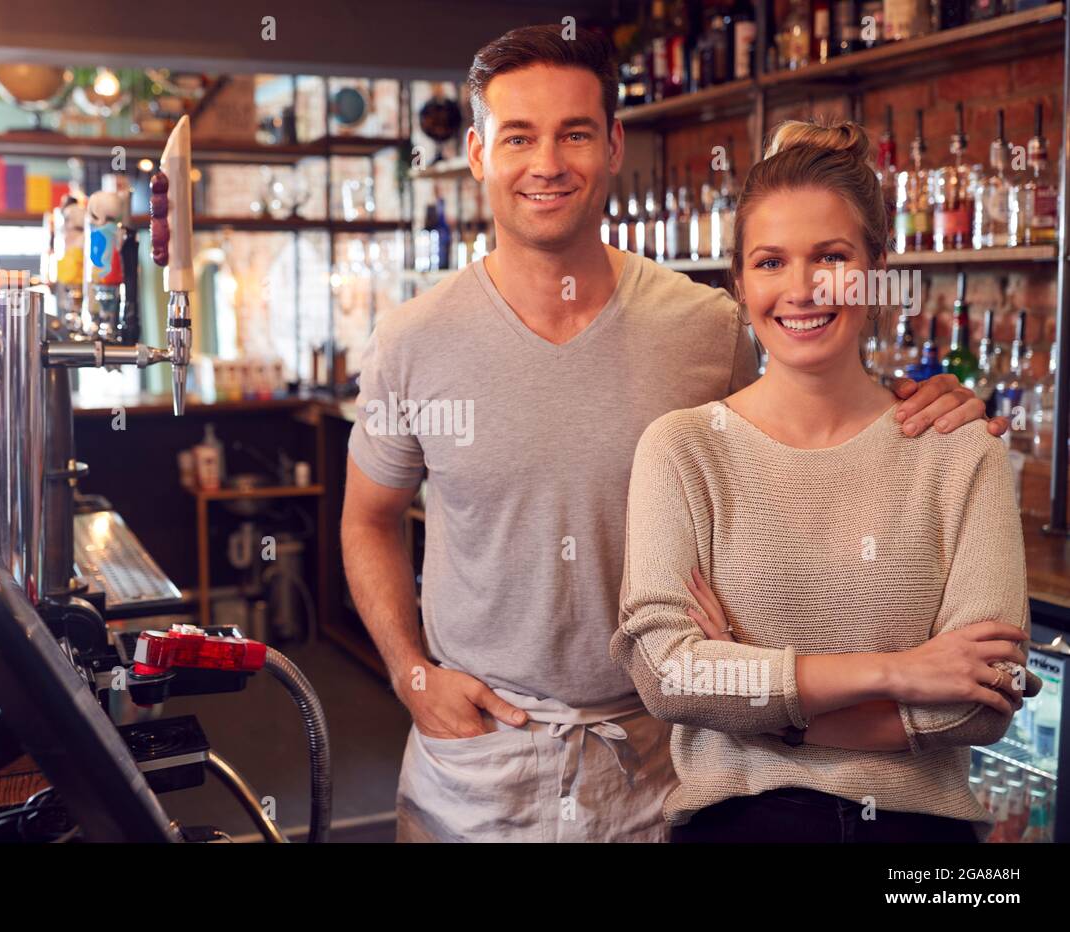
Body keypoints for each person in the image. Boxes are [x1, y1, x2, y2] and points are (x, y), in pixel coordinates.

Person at [342, 25, 1004, 843]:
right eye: (519, 136)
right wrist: (413, 677)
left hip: (668, 767)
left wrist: (921, 406)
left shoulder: (706, 325)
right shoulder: (412, 339)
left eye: (575, 133)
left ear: (614, 144)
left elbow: (804, 415)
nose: (547, 162)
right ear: (478, 152)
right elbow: (366, 518)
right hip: (481, 758)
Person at [610, 118, 1031, 843]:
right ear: (739, 283)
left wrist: (765, 707)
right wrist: (899, 673)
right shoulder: (682, 450)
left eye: (830, 257)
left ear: (876, 268)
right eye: (771, 262)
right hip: (737, 829)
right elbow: (669, 675)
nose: (801, 289)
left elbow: (983, 701)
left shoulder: (963, 453)